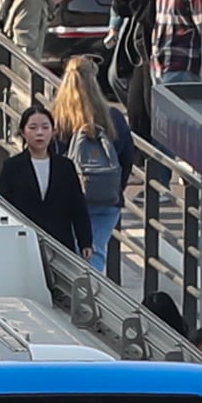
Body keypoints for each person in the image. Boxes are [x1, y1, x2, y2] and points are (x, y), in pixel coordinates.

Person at [53, 57, 129, 263]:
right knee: (96, 251)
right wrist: (116, 188)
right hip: (107, 198)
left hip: (69, 198)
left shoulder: (57, 119)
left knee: (68, 254)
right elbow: (127, 158)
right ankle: (93, 284)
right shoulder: (113, 117)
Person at [0, 106, 89, 246]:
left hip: (60, 241)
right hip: (24, 240)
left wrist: (85, 241)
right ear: (23, 132)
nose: (39, 133)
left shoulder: (65, 166)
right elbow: (3, 206)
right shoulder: (12, 166)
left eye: (45, 127)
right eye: (33, 128)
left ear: (53, 131)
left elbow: (77, 206)